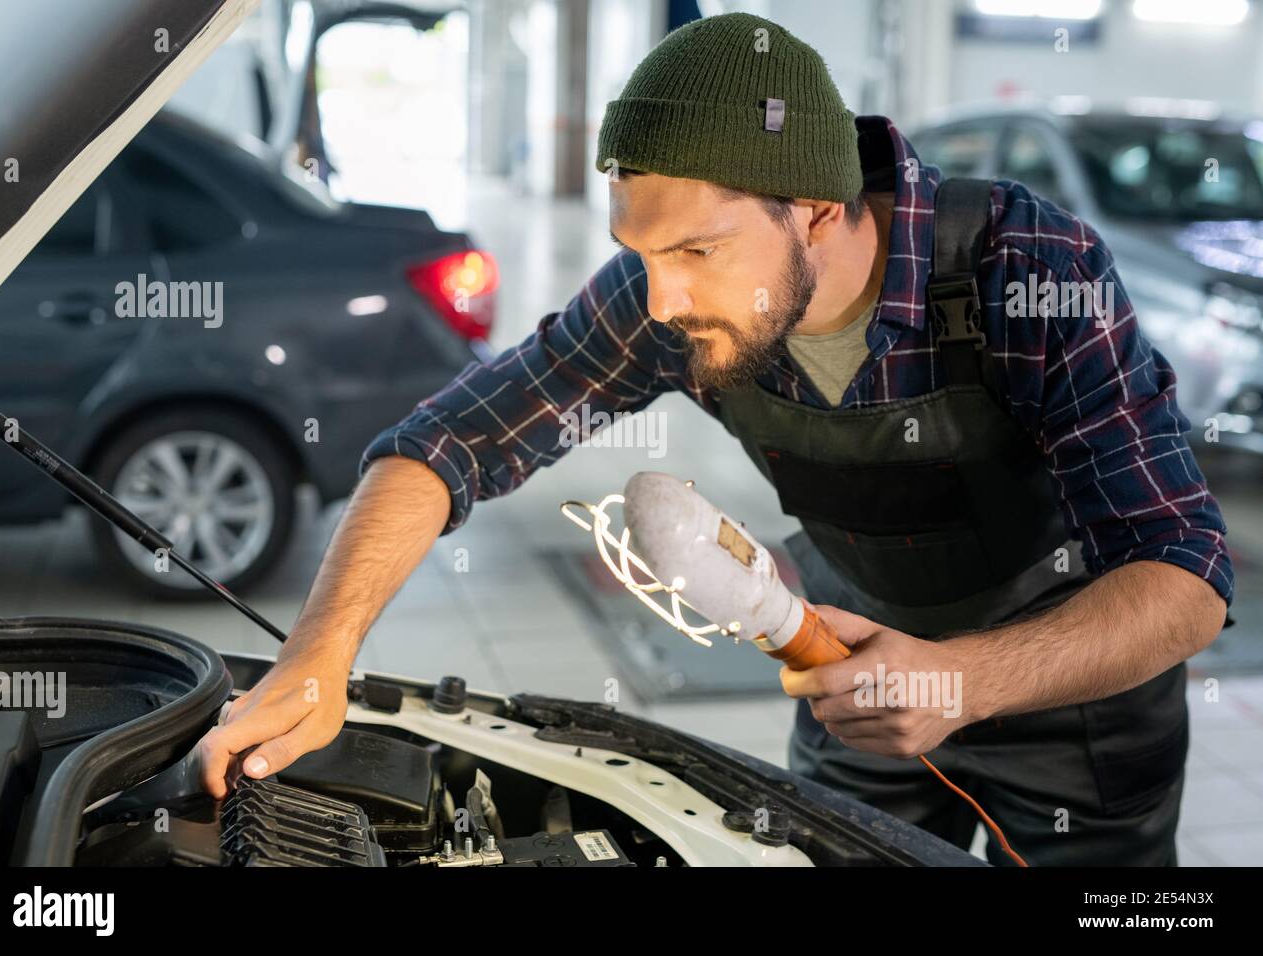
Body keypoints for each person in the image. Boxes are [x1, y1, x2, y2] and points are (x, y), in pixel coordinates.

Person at [196, 12, 1231, 866]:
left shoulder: (1024, 264)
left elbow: (1183, 570)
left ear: (817, 212)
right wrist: (316, 657)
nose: (662, 296)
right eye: (639, 250)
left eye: (696, 248)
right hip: (850, 681)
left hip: (1073, 712)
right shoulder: (673, 298)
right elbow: (446, 440)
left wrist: (962, 680)